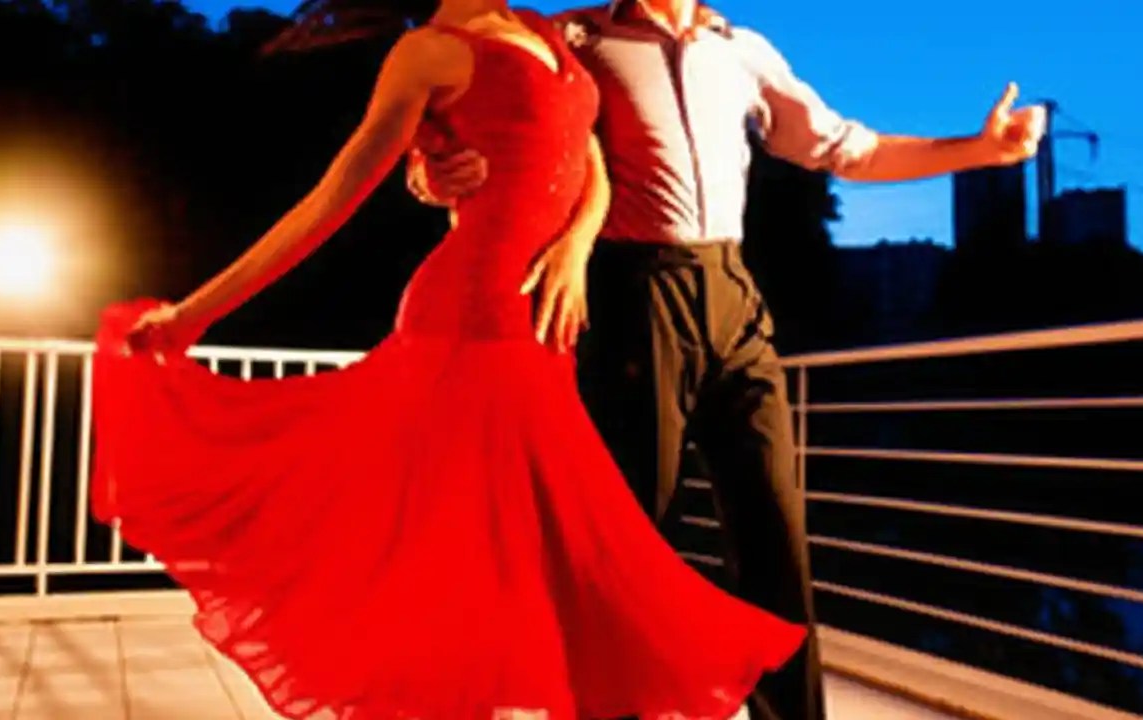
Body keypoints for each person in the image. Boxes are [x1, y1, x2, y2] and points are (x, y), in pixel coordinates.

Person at [89, 0, 808, 718]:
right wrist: (194, 314)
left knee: (551, 563)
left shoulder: (541, 30)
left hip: (540, 330)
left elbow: (591, 160)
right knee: (491, 566)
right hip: (471, 322)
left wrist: (576, 246)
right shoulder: (430, 53)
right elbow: (329, 202)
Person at [406, 2, 1047, 718]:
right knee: (635, 545)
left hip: (734, 296)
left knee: (775, 539)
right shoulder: (575, 39)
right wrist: (430, 165)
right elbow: (484, 109)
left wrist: (981, 151)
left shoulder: (741, 50)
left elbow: (847, 149)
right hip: (633, 299)